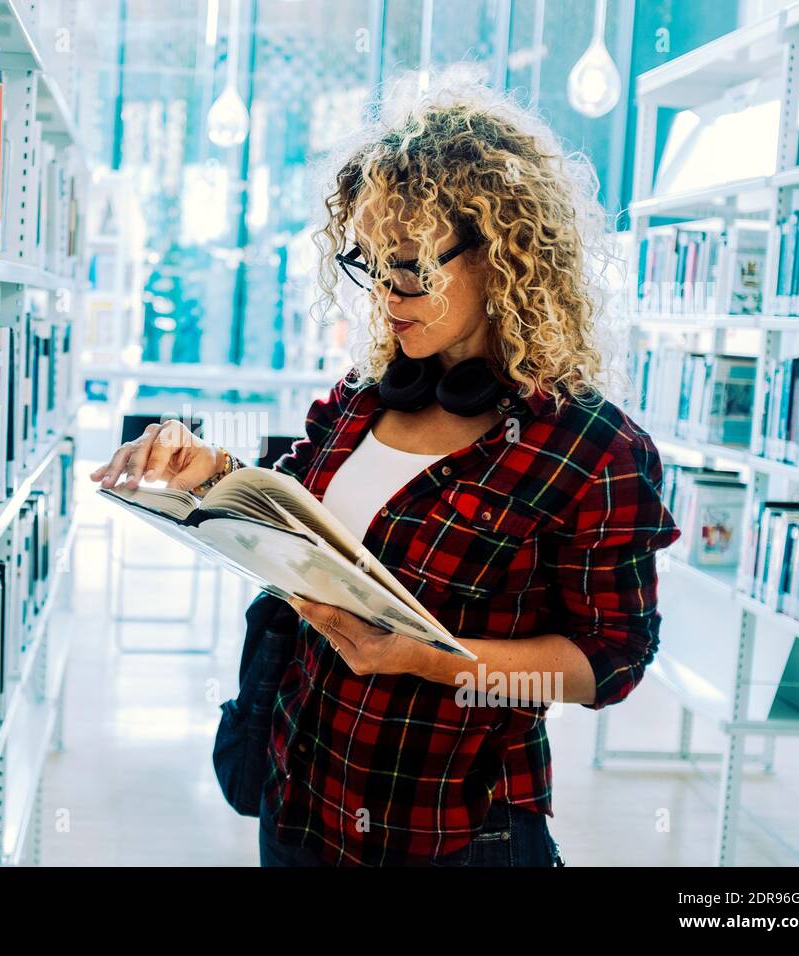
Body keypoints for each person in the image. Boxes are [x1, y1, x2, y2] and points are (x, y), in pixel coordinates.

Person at [89, 70, 681, 867]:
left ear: (501, 256)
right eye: (372, 264)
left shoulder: (593, 450)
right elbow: (291, 518)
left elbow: (606, 667)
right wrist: (203, 470)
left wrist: (432, 660)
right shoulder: (362, 400)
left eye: (408, 266)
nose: (387, 296)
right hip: (299, 803)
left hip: (453, 832)